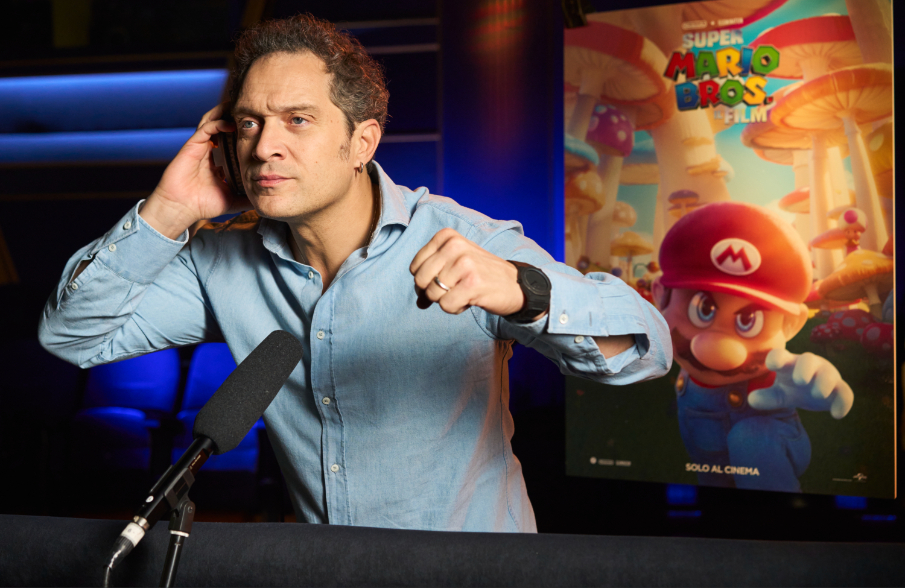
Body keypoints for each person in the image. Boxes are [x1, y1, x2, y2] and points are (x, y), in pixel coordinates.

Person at [39, 14, 670, 532]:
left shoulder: (463, 240)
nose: (264, 146)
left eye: (298, 120)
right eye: (251, 123)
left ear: (362, 143)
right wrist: (169, 210)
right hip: (328, 569)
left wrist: (525, 292)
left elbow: (648, 352)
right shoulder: (222, 259)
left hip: (473, 573)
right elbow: (73, 336)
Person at [653, 201, 853, 493]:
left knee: (751, 438)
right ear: (660, 297)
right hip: (708, 462)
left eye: (748, 320)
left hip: (772, 447)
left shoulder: (775, 370)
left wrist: (815, 386)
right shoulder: (669, 356)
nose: (718, 350)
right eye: (703, 309)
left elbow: (793, 373)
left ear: (791, 324)